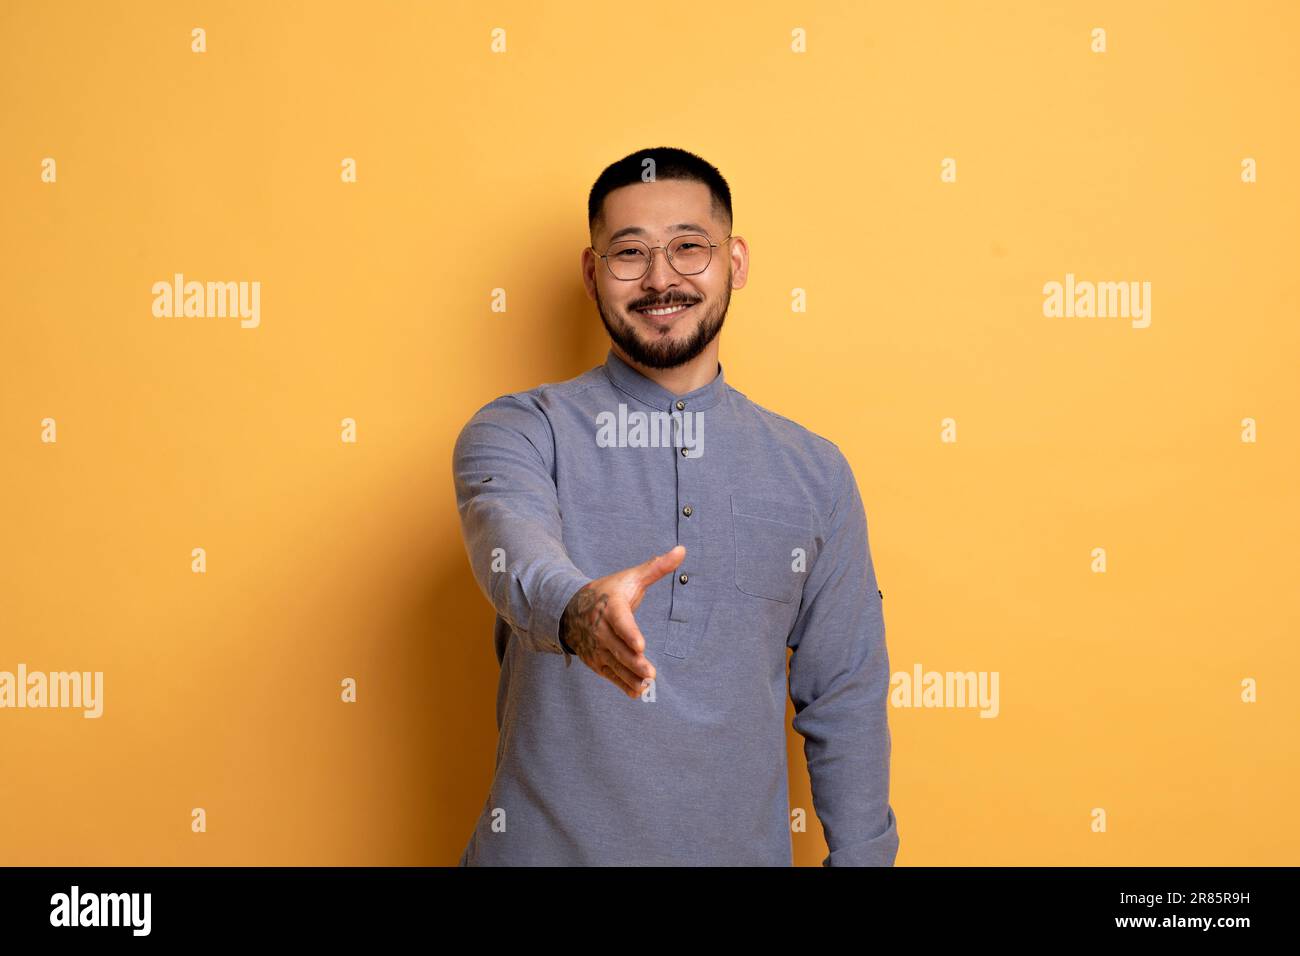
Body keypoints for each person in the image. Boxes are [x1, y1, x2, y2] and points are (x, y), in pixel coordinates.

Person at [452, 146, 899, 865]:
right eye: (629, 254)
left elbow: (845, 693)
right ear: (593, 275)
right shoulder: (519, 431)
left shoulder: (815, 471)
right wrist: (579, 611)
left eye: (689, 247)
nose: (661, 278)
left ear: (737, 261)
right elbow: (513, 546)